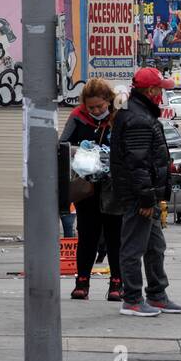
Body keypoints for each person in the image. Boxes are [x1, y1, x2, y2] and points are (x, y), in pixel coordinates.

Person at [109, 67, 181, 317]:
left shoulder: (137, 113)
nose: (162, 93)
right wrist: (145, 197)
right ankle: (132, 299)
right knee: (134, 246)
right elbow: (138, 163)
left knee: (155, 246)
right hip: (139, 196)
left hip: (143, 194)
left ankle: (156, 295)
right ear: (150, 90)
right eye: (160, 88)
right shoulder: (138, 118)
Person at [60, 78, 122, 301]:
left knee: (115, 236)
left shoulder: (119, 116)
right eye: (91, 107)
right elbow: (62, 145)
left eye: (100, 106)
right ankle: (82, 282)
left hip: (114, 187)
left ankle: (117, 283)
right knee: (87, 235)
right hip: (86, 187)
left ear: (109, 101)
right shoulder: (78, 117)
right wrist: (82, 151)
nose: (96, 111)